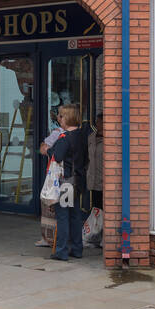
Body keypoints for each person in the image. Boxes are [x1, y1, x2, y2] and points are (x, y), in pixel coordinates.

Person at [49, 104, 89, 261]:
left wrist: (49, 150)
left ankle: (61, 251)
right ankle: (77, 248)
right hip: (78, 180)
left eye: (60, 116)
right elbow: (86, 159)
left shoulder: (65, 138)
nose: (59, 119)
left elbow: (57, 156)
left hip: (66, 181)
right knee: (75, 215)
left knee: (63, 216)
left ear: (66, 118)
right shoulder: (81, 136)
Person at [36, 116, 63, 248]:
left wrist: (45, 145)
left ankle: (49, 238)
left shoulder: (58, 133)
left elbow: (43, 149)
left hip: (54, 176)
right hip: (70, 177)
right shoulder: (78, 133)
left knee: (49, 206)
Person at [85, 111, 104, 247]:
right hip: (93, 179)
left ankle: (104, 237)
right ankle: (94, 235)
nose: (99, 124)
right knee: (96, 210)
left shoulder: (111, 139)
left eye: (101, 122)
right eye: (97, 122)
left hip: (105, 181)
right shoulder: (91, 137)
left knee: (106, 210)